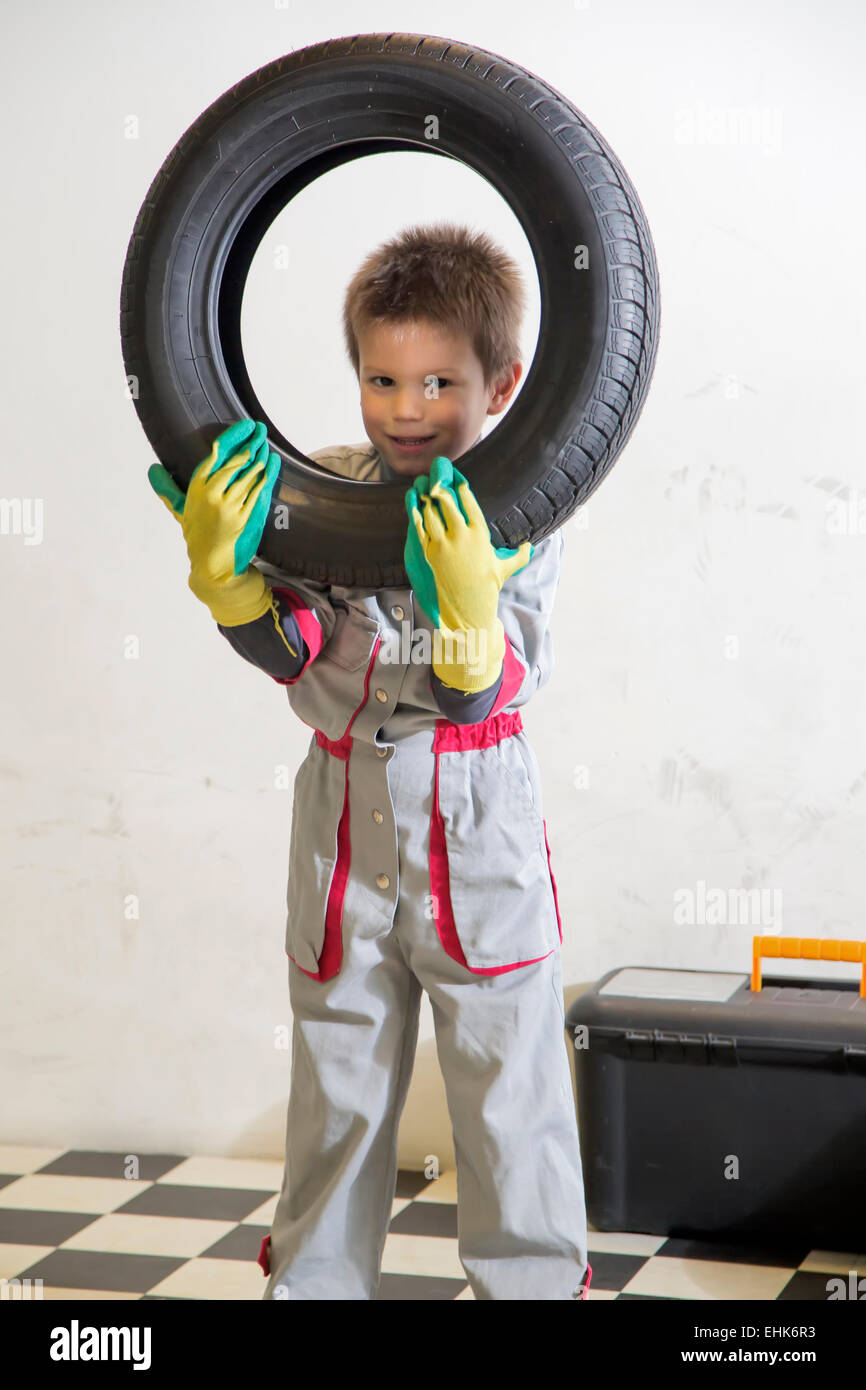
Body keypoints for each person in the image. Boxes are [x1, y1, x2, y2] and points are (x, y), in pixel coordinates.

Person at [149, 222, 592, 1301]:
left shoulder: (527, 508)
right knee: (337, 1090)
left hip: (474, 826)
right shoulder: (329, 494)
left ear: (504, 385)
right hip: (343, 829)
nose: (405, 408)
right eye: (381, 378)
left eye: (439, 380)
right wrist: (233, 587)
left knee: (506, 1094)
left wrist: (464, 607)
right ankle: (311, 1287)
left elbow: (475, 689)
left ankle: (533, 1290)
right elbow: (297, 652)